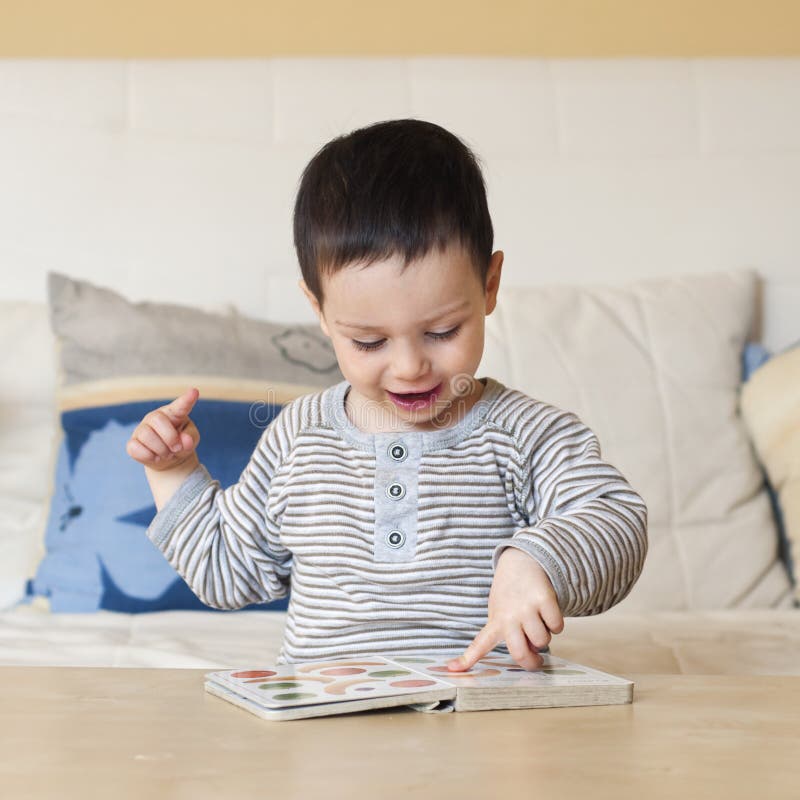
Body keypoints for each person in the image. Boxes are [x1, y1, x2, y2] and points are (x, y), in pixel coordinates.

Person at [126, 118, 648, 672]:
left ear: (489, 286)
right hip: (329, 729)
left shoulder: (526, 434)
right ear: (319, 311)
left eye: (443, 331)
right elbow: (227, 571)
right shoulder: (299, 437)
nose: (410, 367)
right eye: (369, 341)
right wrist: (173, 473)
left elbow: (615, 518)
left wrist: (536, 559)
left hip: (479, 723)